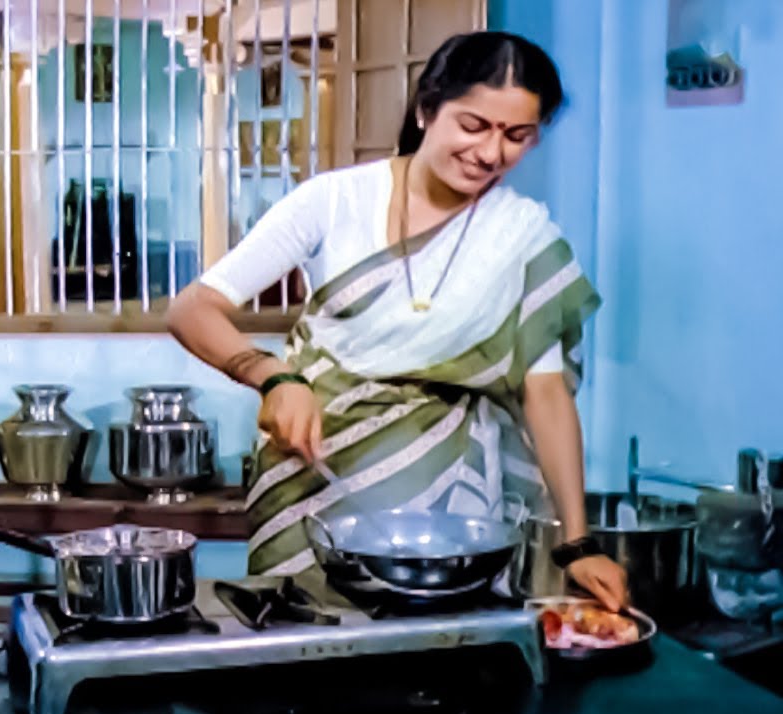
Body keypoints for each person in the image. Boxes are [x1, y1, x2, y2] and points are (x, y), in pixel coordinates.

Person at [167, 32, 630, 610]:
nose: (490, 153)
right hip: (315, 473)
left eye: (516, 136)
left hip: (451, 499)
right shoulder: (334, 201)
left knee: (435, 658)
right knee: (304, 656)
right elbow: (192, 308)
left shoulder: (522, 237)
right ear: (425, 110)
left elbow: (546, 395)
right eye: (474, 125)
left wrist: (577, 542)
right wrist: (274, 377)